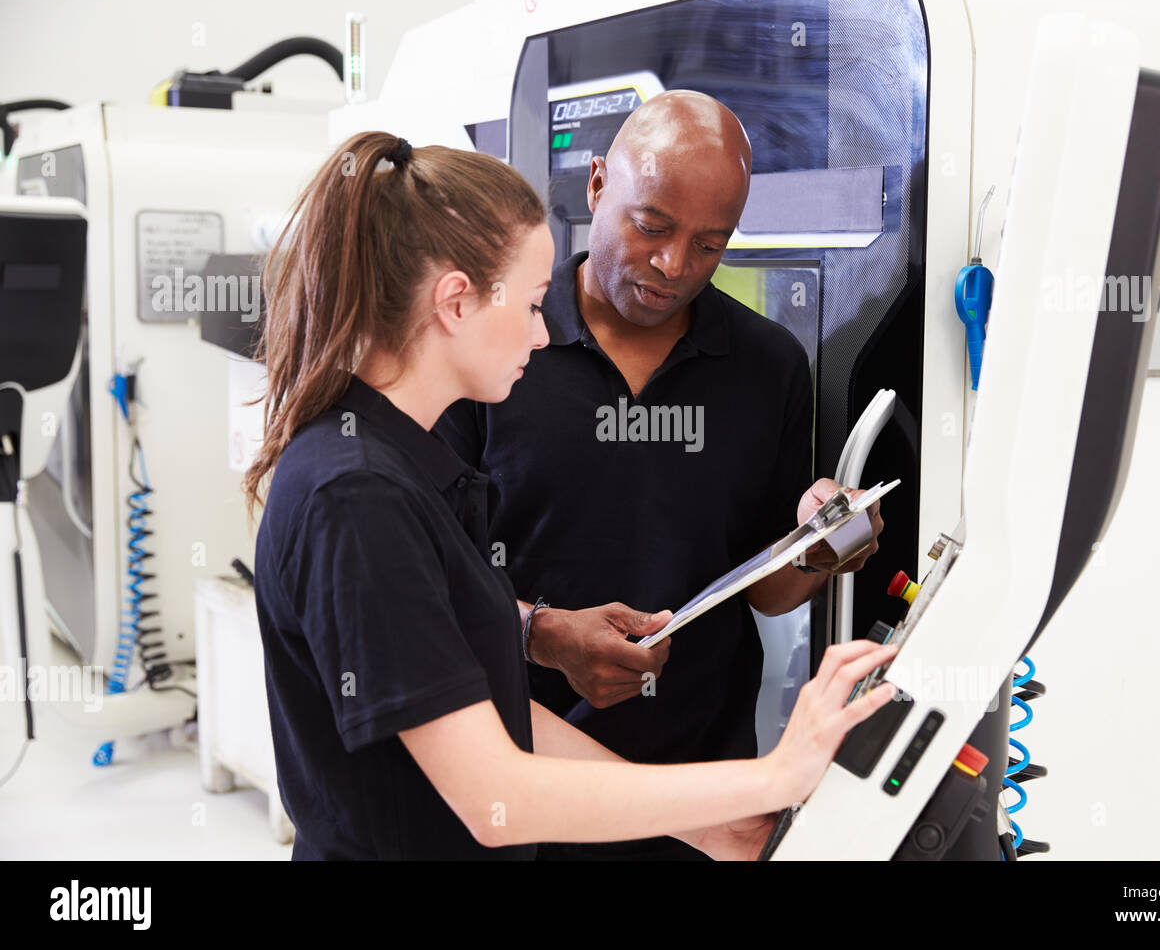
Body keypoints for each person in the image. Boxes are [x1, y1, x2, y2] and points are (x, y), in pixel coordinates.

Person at [245, 131, 897, 860]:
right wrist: (775, 774)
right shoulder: (356, 495)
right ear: (456, 303)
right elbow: (497, 798)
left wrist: (721, 829)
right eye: (531, 306)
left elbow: (494, 713)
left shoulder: (399, 466)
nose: (539, 334)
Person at [436, 91, 885, 860]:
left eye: (710, 244)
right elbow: (429, 584)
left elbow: (766, 589)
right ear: (597, 185)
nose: (674, 265)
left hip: (703, 796)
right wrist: (544, 634)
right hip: (523, 789)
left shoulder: (767, 366)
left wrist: (823, 545)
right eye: (651, 226)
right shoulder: (498, 349)